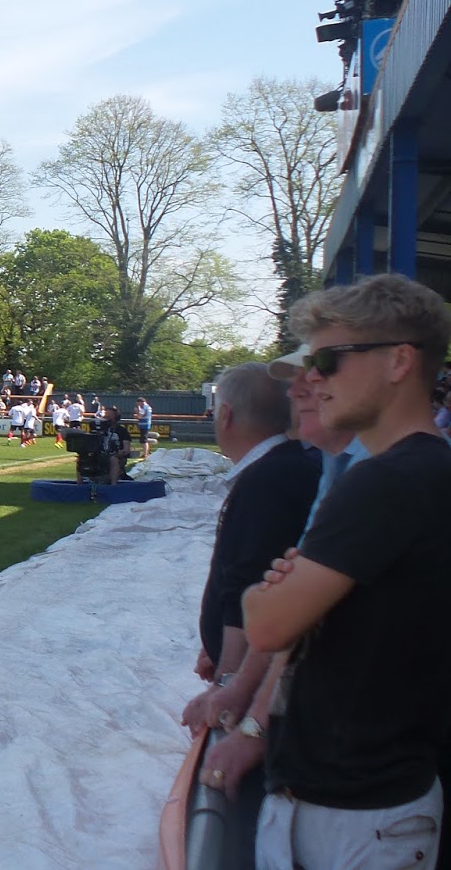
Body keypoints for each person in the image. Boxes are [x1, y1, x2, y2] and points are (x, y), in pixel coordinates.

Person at [242, 274, 451, 868]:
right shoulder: (424, 471)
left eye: (330, 360)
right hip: (379, 799)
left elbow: (266, 625)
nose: (312, 379)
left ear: (398, 362)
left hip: (354, 813)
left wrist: (269, 589)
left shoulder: (388, 481)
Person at [179, 362, 319, 864]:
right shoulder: (284, 469)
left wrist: (230, 679)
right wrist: (214, 644)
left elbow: (249, 587)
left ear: (226, 414)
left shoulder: (268, 479)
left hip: (264, 689)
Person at [95, 406, 131, 484]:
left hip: (115, 455)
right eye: (105, 417)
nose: (106, 419)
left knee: (113, 460)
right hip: (100, 455)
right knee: (81, 459)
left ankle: (113, 485)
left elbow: (126, 449)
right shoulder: (98, 429)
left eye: (108, 417)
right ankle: (79, 485)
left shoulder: (122, 431)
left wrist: (120, 453)